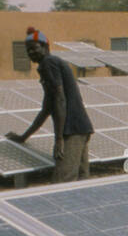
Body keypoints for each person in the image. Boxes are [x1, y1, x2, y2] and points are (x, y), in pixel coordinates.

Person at [6, 27, 94, 182]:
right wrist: (24, 137)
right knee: (81, 183)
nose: (31, 53)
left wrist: (59, 139)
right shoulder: (52, 65)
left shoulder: (49, 63)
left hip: (72, 130)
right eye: (28, 50)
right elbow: (46, 109)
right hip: (82, 128)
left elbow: (60, 99)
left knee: (62, 183)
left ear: (45, 47)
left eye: (34, 48)